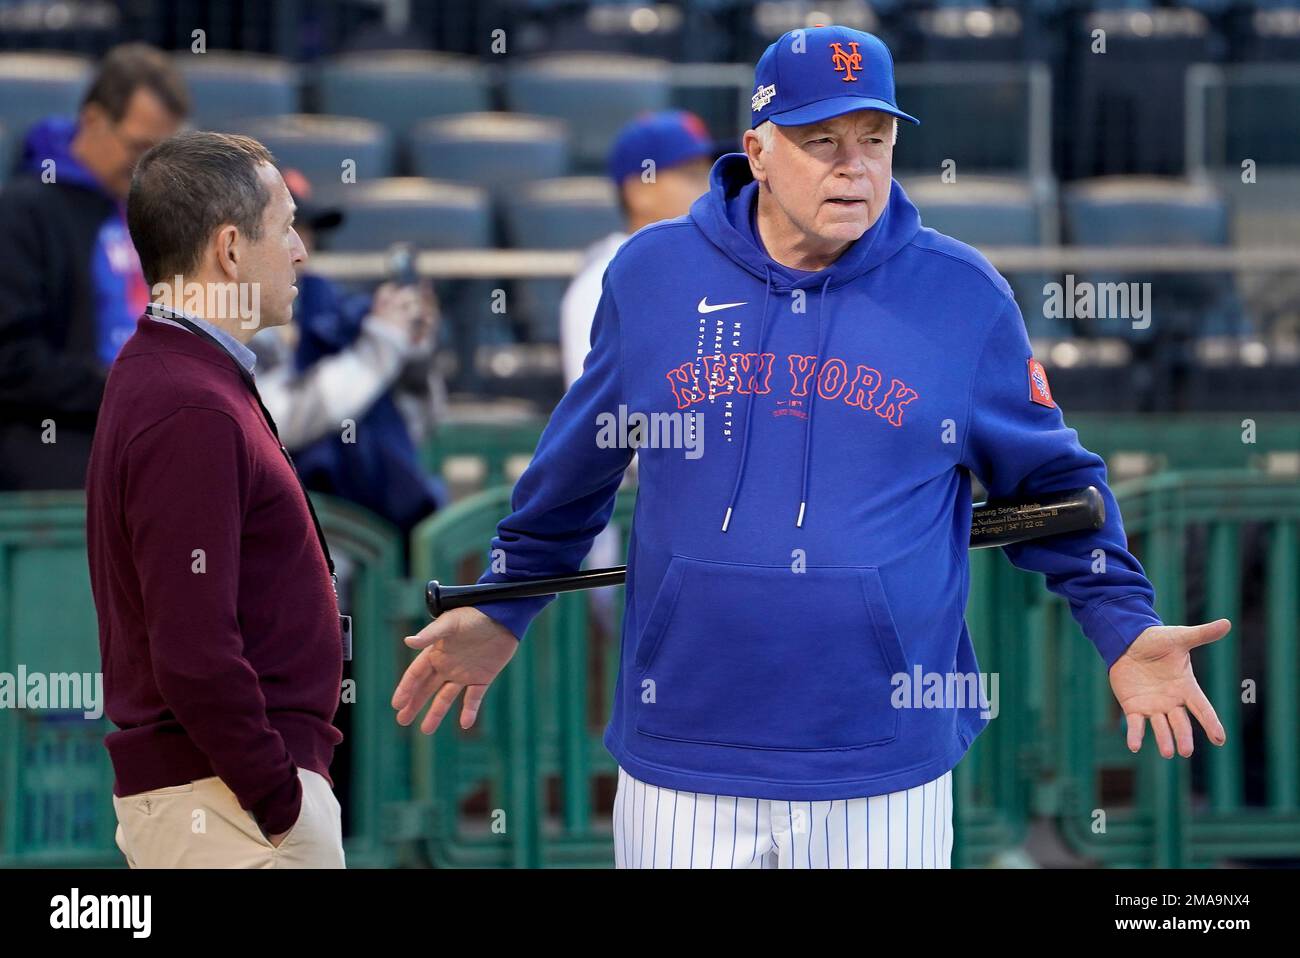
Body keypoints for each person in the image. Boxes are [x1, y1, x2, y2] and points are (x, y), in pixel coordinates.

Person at [392, 25, 1230, 869]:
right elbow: (575, 472)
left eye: (874, 140)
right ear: (757, 150)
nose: (853, 165)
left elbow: (1056, 487)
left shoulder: (962, 295)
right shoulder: (651, 276)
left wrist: (1124, 626)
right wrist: (506, 602)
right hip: (686, 747)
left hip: (881, 760)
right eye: (820, 140)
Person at [86, 131, 346, 868]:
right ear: (231, 250)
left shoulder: (184, 378)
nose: (300, 250)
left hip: (223, 798)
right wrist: (279, 801)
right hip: (228, 808)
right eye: (286, 225)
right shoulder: (186, 402)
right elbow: (194, 651)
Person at [0, 43, 188, 489]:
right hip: (51, 431)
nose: (150, 168)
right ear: (93, 121)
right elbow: (11, 361)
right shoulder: (23, 211)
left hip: (143, 414)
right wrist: (121, 385)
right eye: (140, 146)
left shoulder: (155, 211)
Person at [251, 168, 446, 539]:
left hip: (362, 525)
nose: (300, 248)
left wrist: (413, 352)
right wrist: (383, 343)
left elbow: (418, 423)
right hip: (280, 522)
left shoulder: (330, 304)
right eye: (284, 227)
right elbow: (276, 420)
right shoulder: (229, 311)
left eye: (305, 229)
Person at [560, 109, 716, 388]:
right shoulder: (602, 282)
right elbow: (603, 415)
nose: (708, 188)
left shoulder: (706, 267)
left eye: (708, 173)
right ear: (639, 190)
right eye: (691, 175)